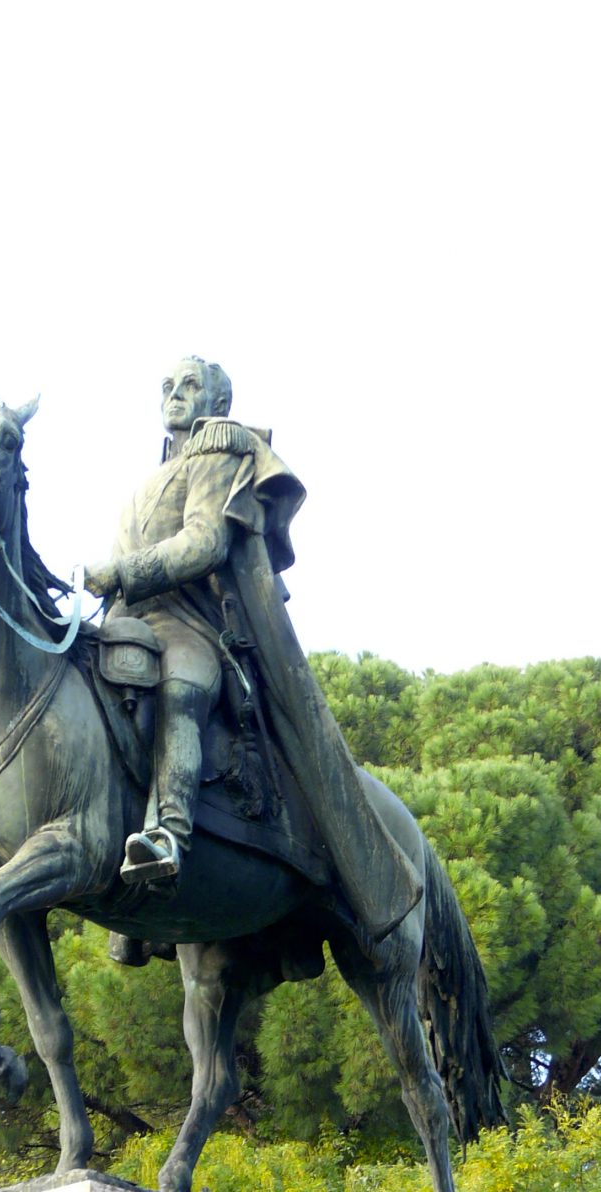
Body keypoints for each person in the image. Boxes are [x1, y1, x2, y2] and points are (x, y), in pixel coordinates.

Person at [85, 357, 422, 940]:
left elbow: (204, 543)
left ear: (214, 399)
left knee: (181, 685)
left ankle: (167, 831)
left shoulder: (218, 451)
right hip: (129, 620)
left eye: (188, 386)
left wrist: (123, 572)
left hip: (192, 623)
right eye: (166, 387)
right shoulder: (149, 475)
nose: (174, 395)